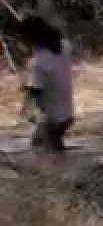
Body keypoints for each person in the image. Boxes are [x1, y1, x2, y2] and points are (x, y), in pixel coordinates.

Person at [18, 16, 74, 153]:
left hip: (54, 121)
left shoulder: (39, 63)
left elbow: (38, 95)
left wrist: (27, 107)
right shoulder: (64, 45)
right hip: (67, 116)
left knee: (40, 151)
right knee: (47, 146)